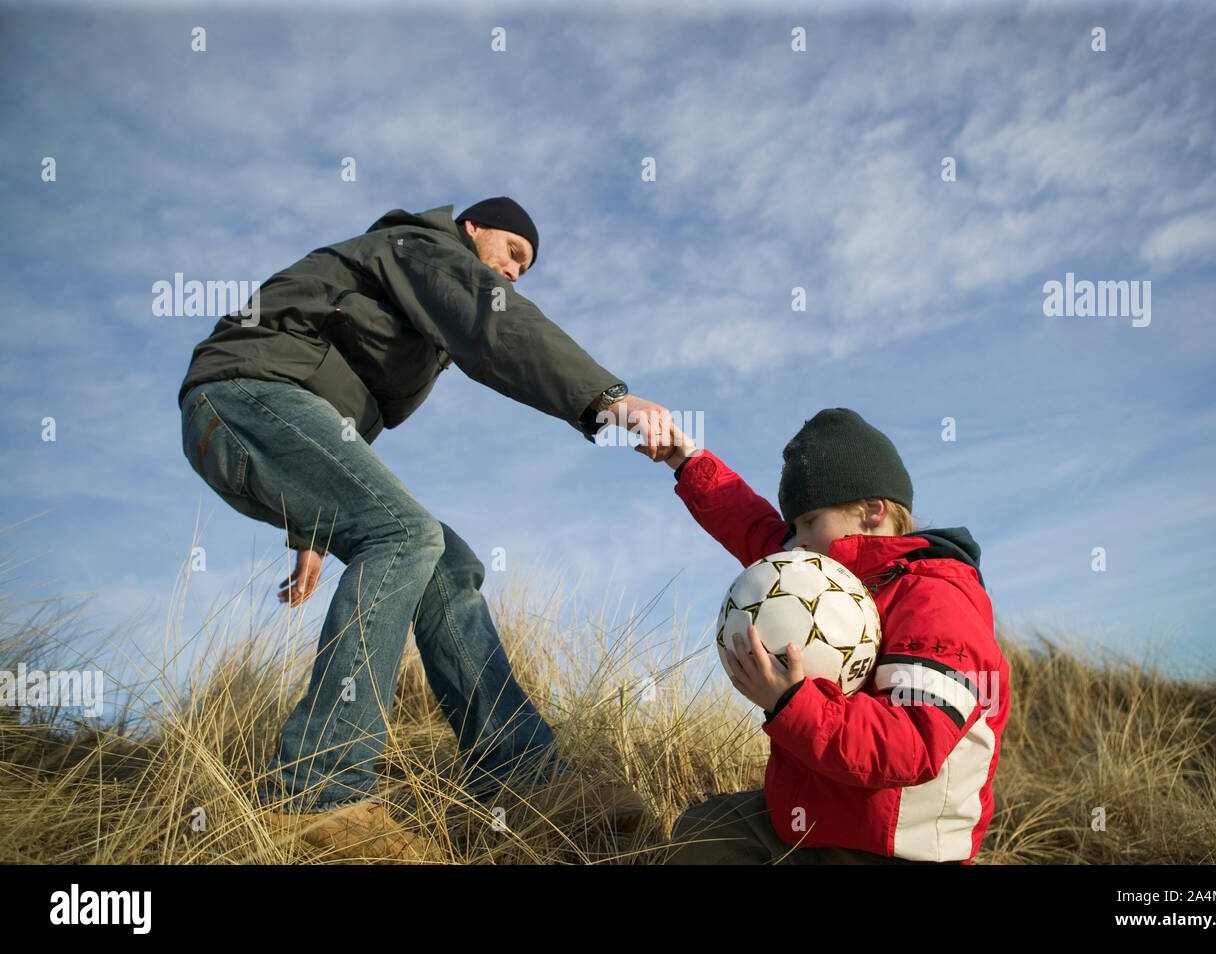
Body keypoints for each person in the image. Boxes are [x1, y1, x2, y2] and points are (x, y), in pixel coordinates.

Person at [178, 196, 674, 860]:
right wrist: (606, 397)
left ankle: (522, 783)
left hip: (270, 411)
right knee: (403, 535)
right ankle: (316, 790)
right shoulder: (417, 247)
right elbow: (494, 327)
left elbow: (326, 409)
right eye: (513, 253)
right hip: (240, 394)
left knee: (443, 560)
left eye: (526, 267)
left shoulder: (412, 300)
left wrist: (311, 533)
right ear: (472, 229)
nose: (516, 273)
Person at [643, 408, 1009, 864]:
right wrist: (687, 461)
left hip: (894, 849)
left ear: (872, 511)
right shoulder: (818, 576)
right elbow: (750, 525)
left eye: (810, 521)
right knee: (705, 833)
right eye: (793, 527)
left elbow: (911, 745)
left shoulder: (937, 602)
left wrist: (791, 701)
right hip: (809, 825)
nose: (795, 542)